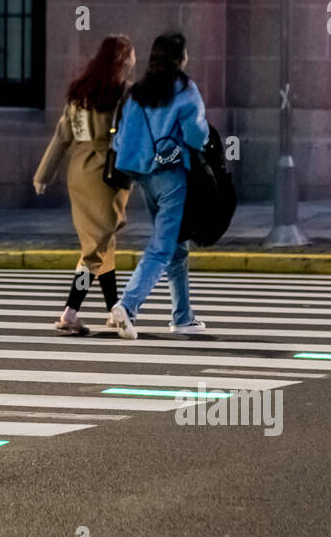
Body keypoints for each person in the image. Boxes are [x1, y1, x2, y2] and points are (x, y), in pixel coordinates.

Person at [107, 32, 209, 340]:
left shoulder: (139, 91)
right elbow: (195, 135)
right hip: (172, 176)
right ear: (180, 58)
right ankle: (127, 305)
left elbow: (124, 133)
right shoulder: (185, 90)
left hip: (143, 175)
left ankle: (182, 316)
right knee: (162, 247)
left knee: (176, 247)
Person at [33, 35, 136, 335]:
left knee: (104, 244)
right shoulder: (122, 93)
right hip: (106, 173)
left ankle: (112, 309)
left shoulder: (80, 92)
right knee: (94, 250)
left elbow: (62, 136)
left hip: (78, 171)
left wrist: (43, 175)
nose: (134, 61)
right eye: (131, 55)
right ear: (121, 60)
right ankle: (69, 312)